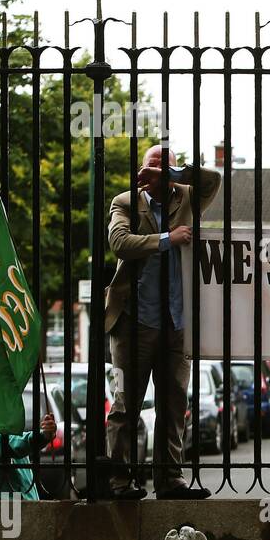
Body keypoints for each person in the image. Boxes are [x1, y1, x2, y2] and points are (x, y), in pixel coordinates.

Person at [104, 145, 220, 499]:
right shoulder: (126, 201)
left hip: (177, 320)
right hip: (134, 321)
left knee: (174, 404)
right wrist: (170, 238)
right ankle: (119, 481)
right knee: (126, 405)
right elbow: (120, 243)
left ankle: (170, 480)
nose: (150, 175)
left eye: (159, 169)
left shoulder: (187, 196)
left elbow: (214, 179)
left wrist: (172, 174)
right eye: (147, 168)